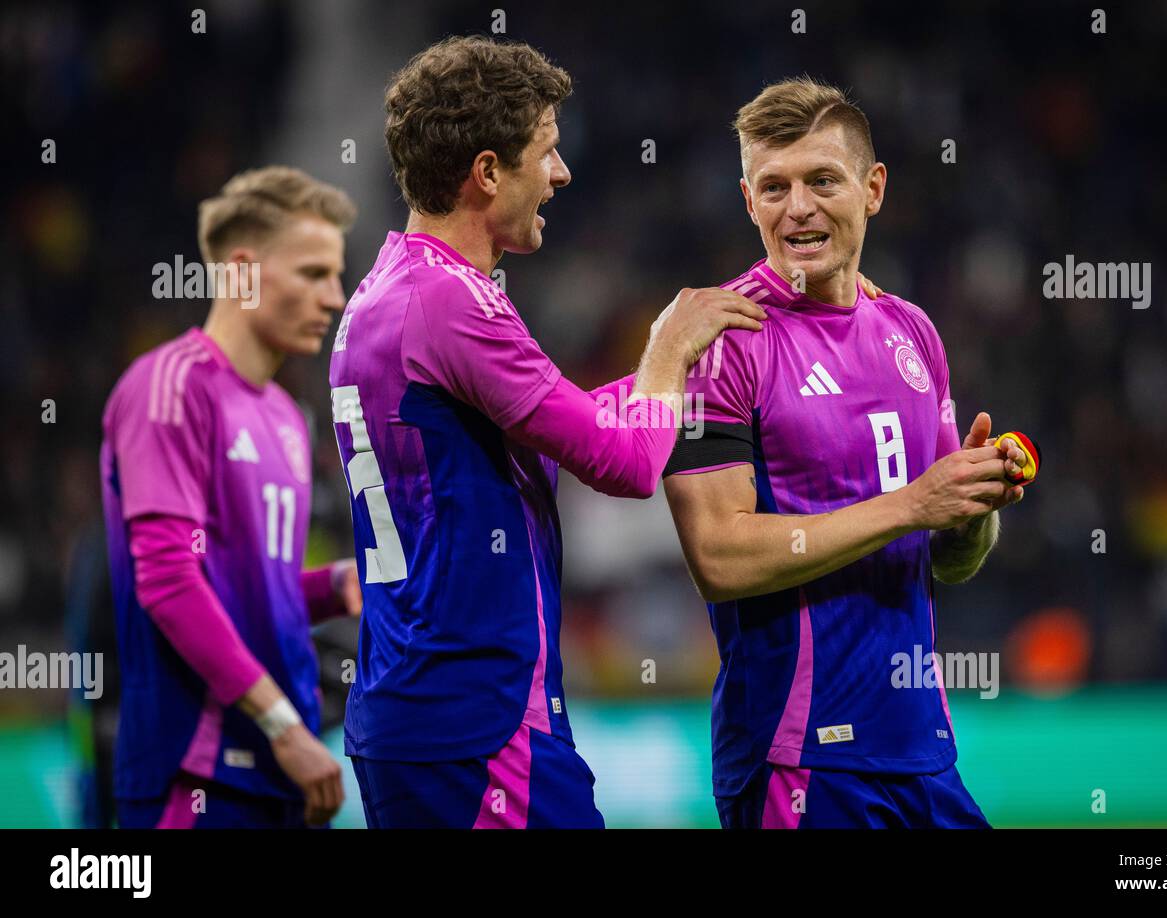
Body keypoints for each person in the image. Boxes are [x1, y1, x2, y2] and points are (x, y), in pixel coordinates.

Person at [329, 36, 765, 828]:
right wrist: (668, 345)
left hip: (414, 712)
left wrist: (687, 369)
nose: (561, 174)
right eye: (547, 152)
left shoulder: (385, 293)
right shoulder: (454, 303)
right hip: (478, 720)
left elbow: (571, 417)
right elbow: (625, 461)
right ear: (489, 171)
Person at [662, 78, 1031, 829]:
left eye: (821, 180)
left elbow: (945, 559)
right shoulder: (722, 339)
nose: (797, 207)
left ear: (872, 189)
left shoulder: (914, 332)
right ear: (747, 200)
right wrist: (913, 505)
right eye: (773, 186)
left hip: (921, 748)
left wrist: (970, 511)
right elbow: (719, 557)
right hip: (800, 756)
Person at [100, 166, 363, 828]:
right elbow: (168, 583)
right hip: (195, 777)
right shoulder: (168, 386)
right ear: (243, 270)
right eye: (312, 273)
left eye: (335, 275)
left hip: (287, 776)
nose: (334, 297)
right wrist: (283, 726)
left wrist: (331, 586)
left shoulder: (286, 417)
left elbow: (244, 592)